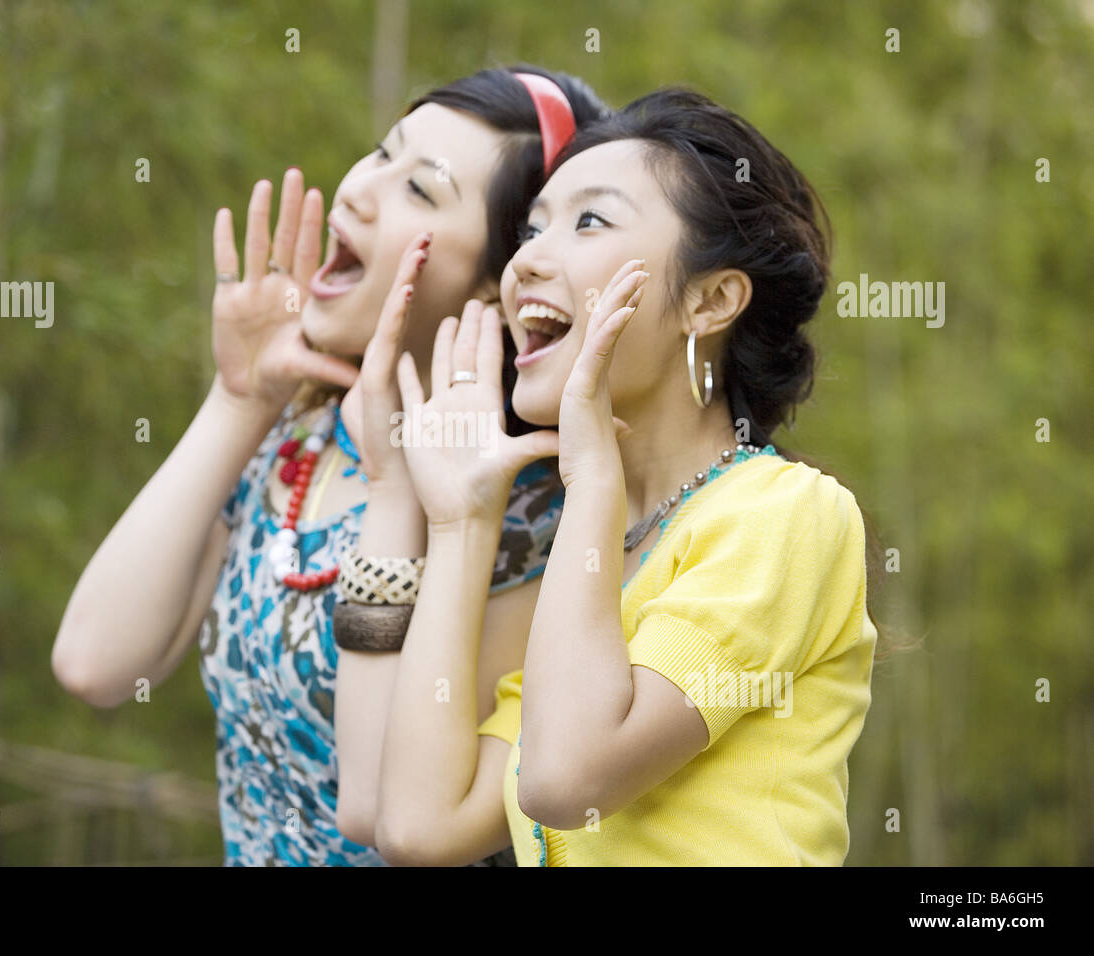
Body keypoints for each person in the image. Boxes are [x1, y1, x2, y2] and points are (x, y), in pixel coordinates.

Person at [51, 66, 609, 866]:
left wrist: (398, 493)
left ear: (500, 281)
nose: (357, 191)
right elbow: (94, 663)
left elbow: (380, 810)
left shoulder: (529, 519)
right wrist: (239, 399)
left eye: (421, 188)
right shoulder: (301, 434)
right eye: (381, 152)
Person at [369, 88, 881, 865]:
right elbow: (417, 826)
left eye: (590, 221)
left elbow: (566, 779)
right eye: (532, 227)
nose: (527, 259)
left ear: (710, 300)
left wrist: (594, 479)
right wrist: (460, 522)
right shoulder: (591, 563)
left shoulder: (785, 515)